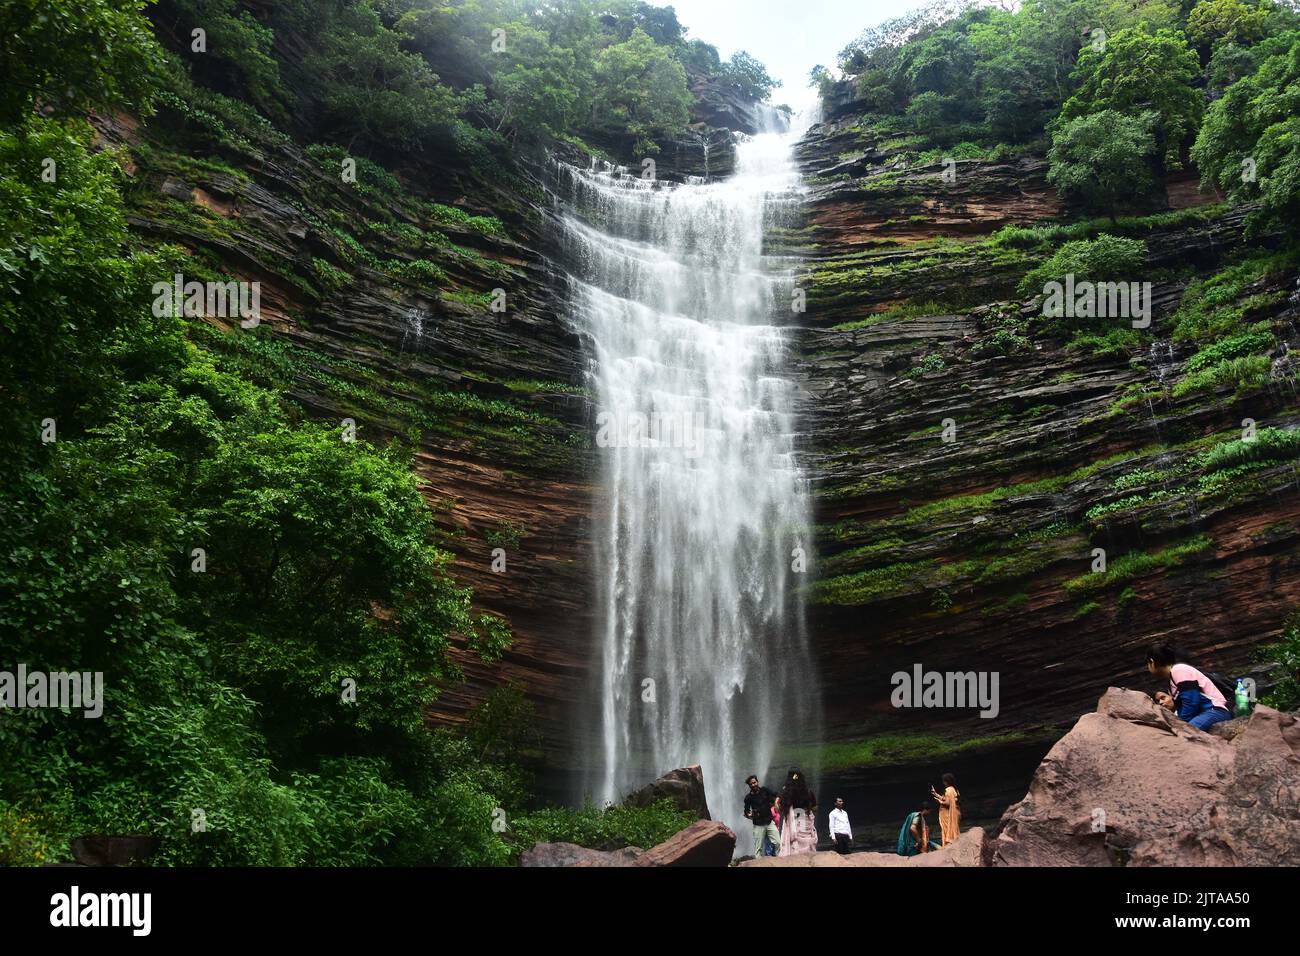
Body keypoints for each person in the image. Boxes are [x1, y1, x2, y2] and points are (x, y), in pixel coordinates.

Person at [1147, 643, 1232, 732]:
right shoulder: (1171, 681)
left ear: (1152, 662)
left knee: (1184, 733)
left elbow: (1191, 702)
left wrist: (1180, 723)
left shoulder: (1179, 670)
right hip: (1202, 714)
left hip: (1214, 711)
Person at [778, 768, 818, 856]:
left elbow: (779, 808)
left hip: (793, 821)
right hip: (804, 819)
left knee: (794, 841)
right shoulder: (808, 792)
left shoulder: (786, 793)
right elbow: (815, 807)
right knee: (806, 840)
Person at [743, 774, 780, 857]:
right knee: (758, 848)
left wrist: (776, 802)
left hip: (769, 822)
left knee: (778, 842)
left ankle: (779, 861)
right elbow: (746, 811)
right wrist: (750, 815)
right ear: (749, 785)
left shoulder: (764, 790)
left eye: (754, 782)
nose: (753, 785)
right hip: (758, 825)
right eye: (751, 784)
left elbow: (776, 794)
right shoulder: (748, 798)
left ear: (757, 782)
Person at [930, 773, 961, 847]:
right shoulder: (954, 790)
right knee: (953, 830)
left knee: (947, 831)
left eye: (944, 781)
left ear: (946, 781)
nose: (943, 783)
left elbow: (947, 803)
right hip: (956, 813)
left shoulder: (948, 790)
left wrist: (939, 802)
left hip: (947, 814)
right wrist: (936, 794)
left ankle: (948, 847)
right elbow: (948, 799)